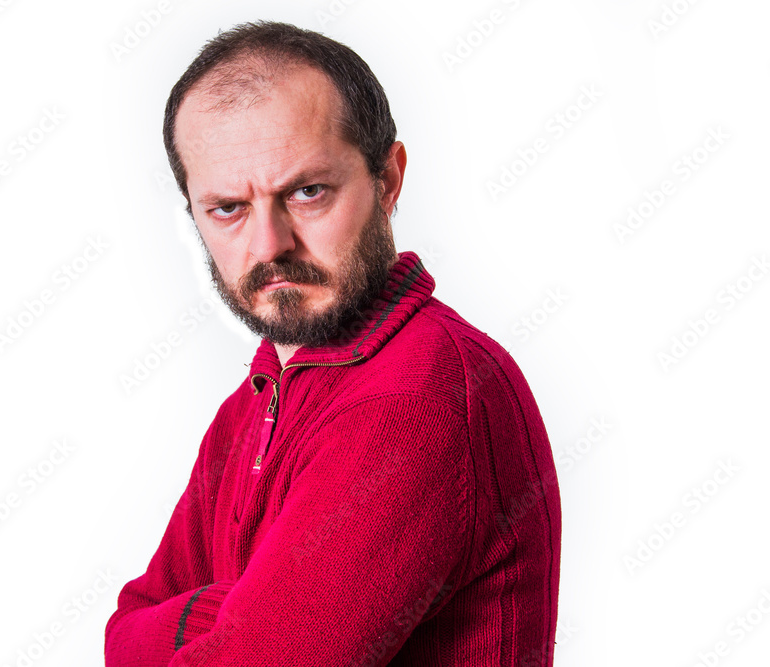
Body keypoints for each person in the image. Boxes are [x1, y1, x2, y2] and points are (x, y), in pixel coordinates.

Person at [104, 20, 561, 666]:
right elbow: (121, 634)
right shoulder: (251, 405)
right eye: (228, 208)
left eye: (308, 192)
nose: (269, 245)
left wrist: (217, 620)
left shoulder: (417, 394)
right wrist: (227, 615)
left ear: (388, 180)